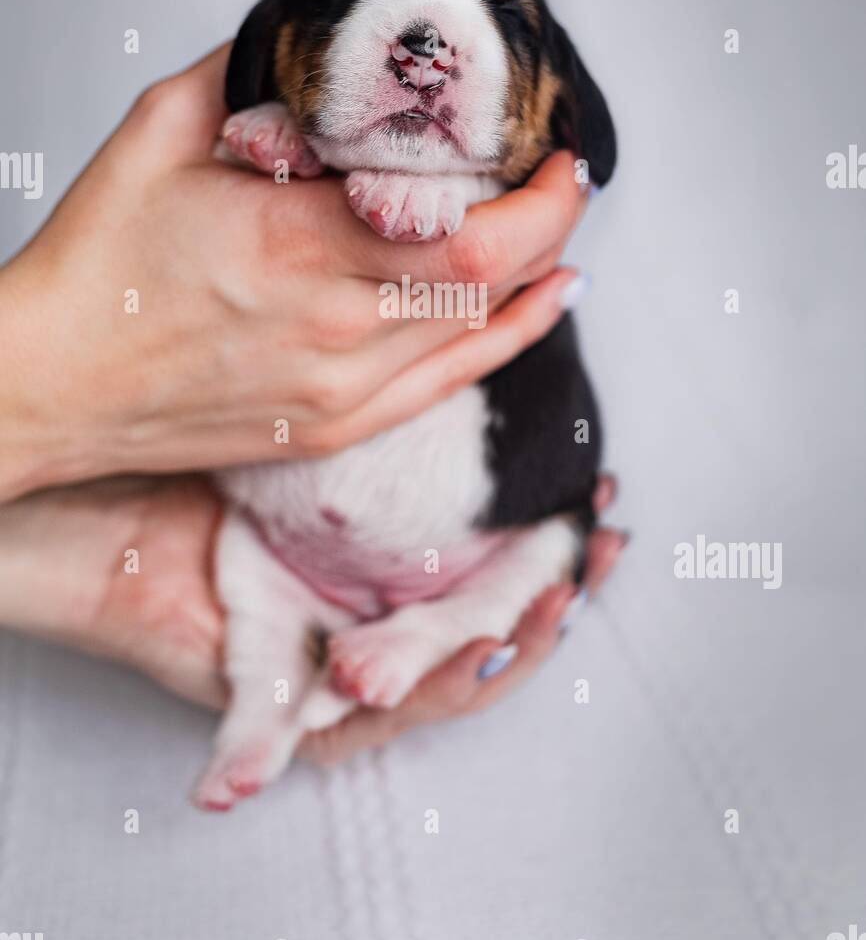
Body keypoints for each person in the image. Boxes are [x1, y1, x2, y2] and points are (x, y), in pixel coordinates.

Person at [0, 45, 626, 761]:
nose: (421, 64)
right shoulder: (290, 114)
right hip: (275, 536)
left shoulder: (488, 169)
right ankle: (266, 705)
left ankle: (423, 634)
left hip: (483, 540)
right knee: (249, 574)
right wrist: (38, 411)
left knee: (548, 554)